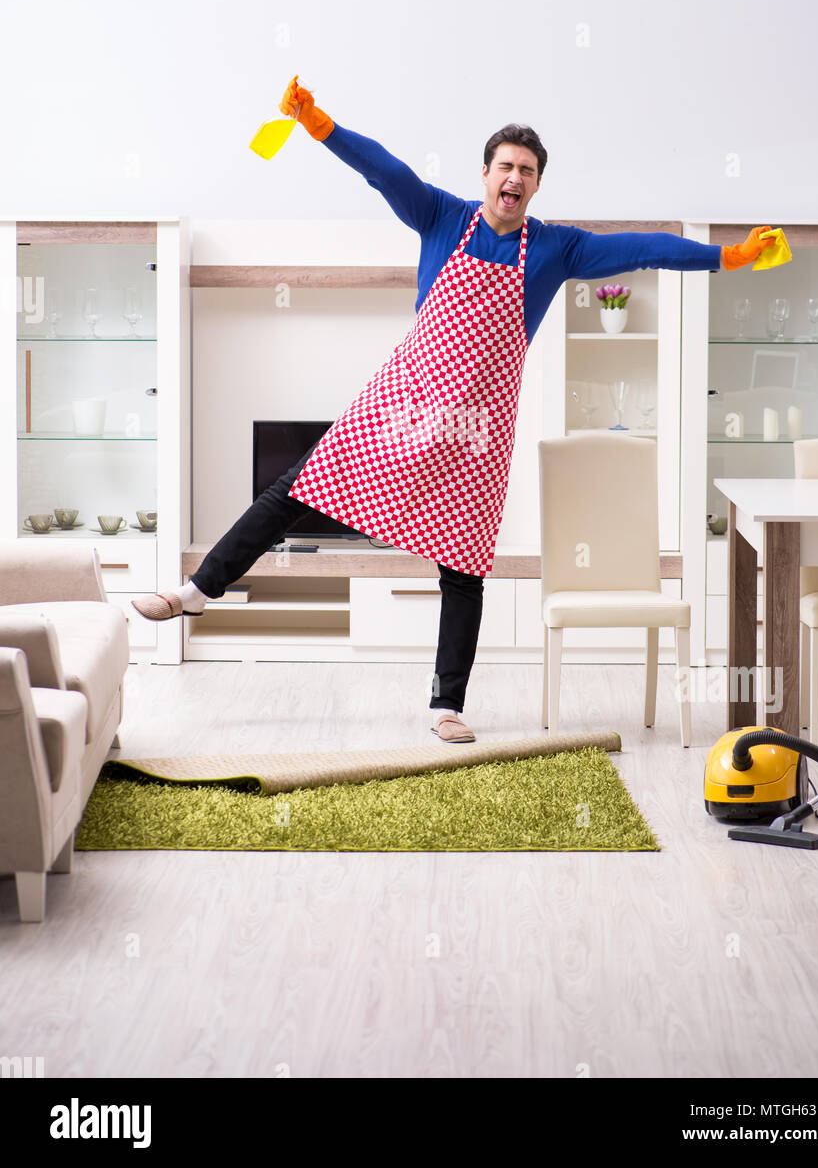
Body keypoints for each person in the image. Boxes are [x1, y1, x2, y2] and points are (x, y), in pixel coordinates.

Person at [134, 76, 779, 742]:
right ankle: (197, 592)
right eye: (505, 165)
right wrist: (317, 121)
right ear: (485, 173)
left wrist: (726, 257)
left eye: (526, 171)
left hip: (476, 436)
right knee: (293, 492)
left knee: (464, 568)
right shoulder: (441, 216)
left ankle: (447, 705)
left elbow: (644, 247)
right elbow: (383, 171)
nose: (515, 177)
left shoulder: (558, 248)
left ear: (535, 187)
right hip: (401, 408)